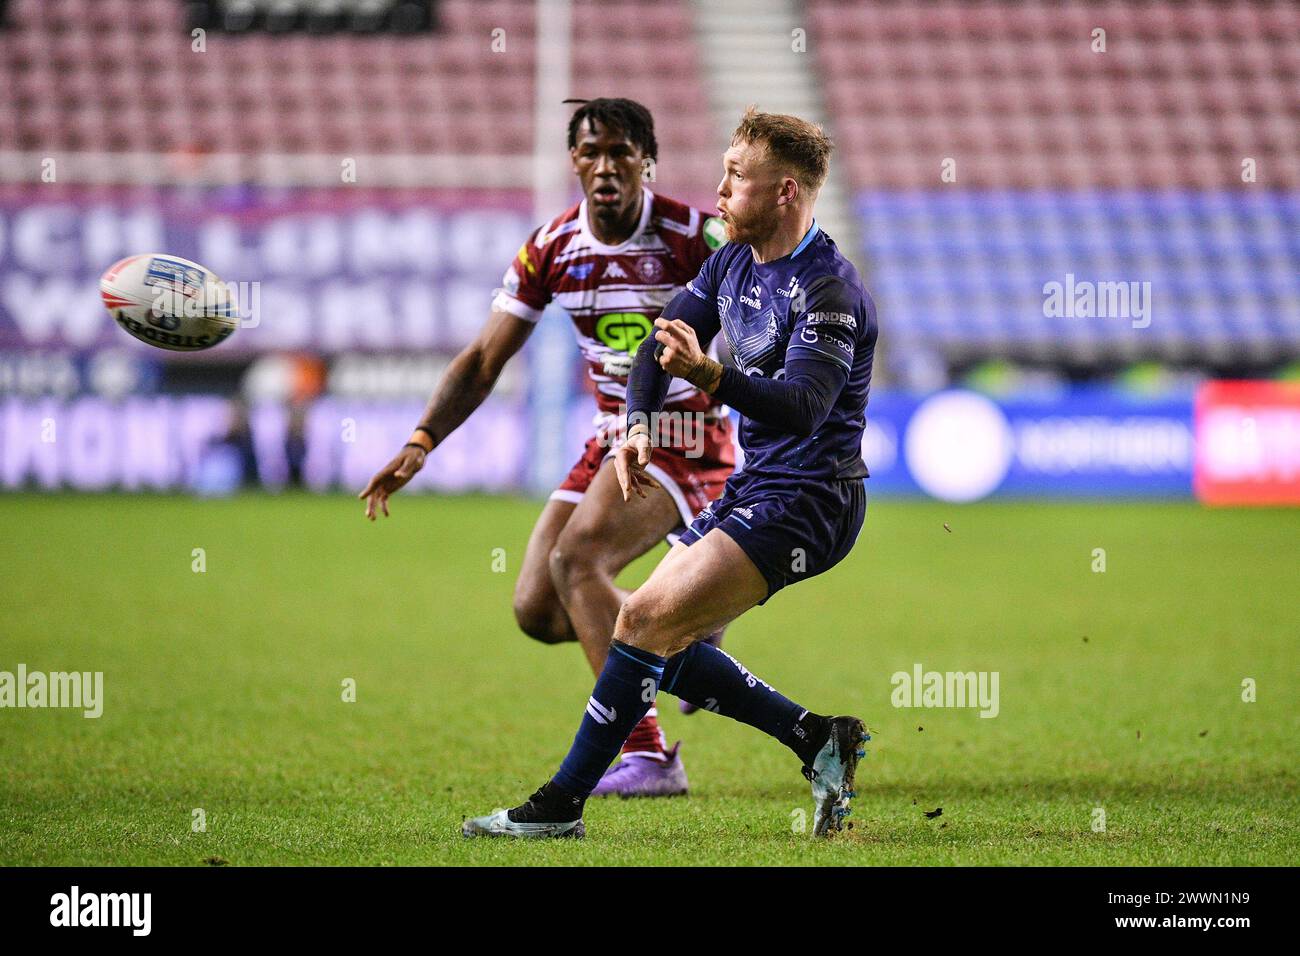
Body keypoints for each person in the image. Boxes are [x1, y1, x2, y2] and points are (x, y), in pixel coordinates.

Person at [463, 107, 879, 840]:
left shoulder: (827, 290)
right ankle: (818, 739)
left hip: (814, 498)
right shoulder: (732, 262)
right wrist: (638, 428)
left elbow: (806, 408)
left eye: (737, 175)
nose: (719, 187)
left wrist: (710, 373)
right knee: (649, 632)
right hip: (760, 489)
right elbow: (663, 343)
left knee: (639, 620)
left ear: (785, 192)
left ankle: (561, 806)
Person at [359, 98, 735, 797]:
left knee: (578, 560)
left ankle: (648, 755)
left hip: (685, 436)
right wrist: (421, 441)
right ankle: (684, 642)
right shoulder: (552, 247)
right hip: (611, 439)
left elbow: (760, 311)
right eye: (590, 153)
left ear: (646, 162)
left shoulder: (695, 237)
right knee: (538, 609)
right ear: (574, 163)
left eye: (621, 152)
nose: (604, 166)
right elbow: (482, 360)